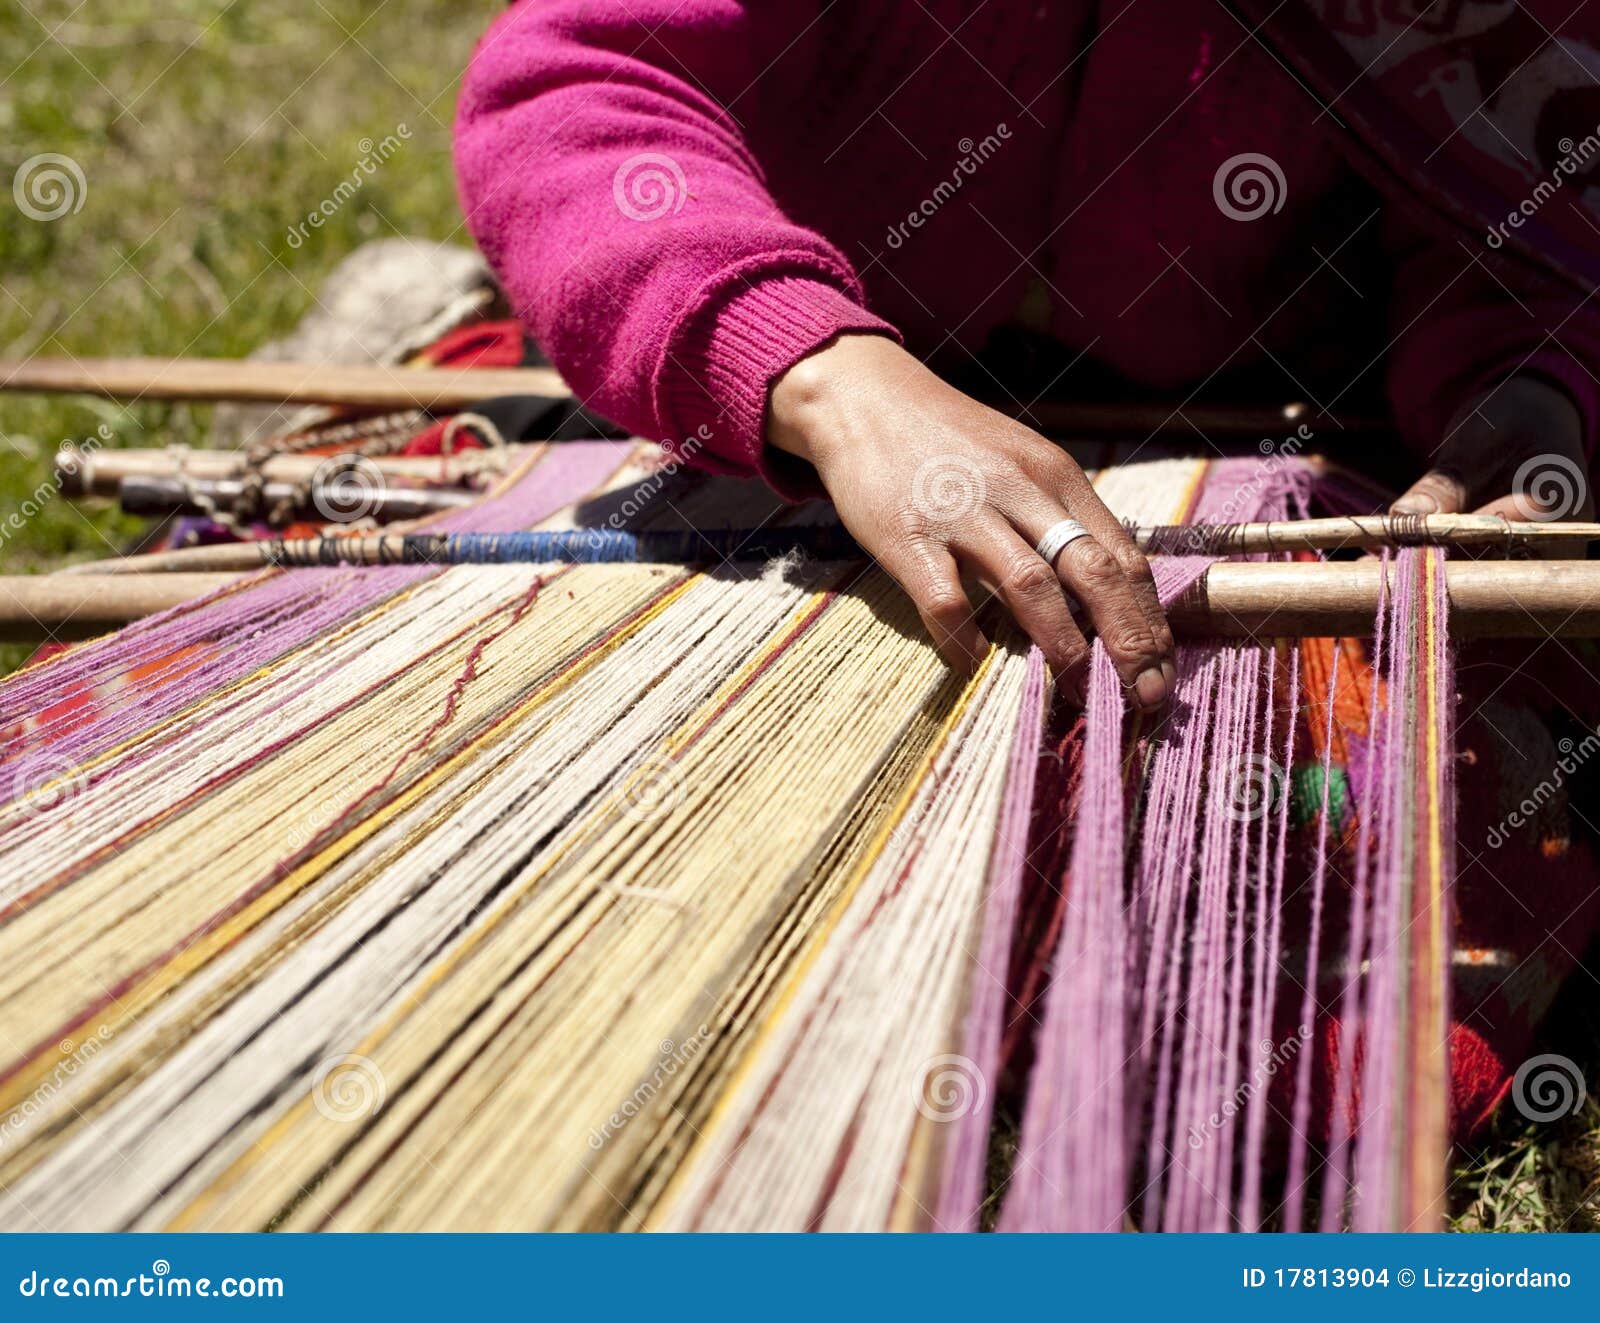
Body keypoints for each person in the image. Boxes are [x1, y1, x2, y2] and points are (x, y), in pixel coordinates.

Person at [454, 1, 1600, 709]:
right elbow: (573, 87)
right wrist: (826, 374)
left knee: (1370, 778)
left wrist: (1527, 393)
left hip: (1244, 423)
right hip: (796, 398)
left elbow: (1494, 237)